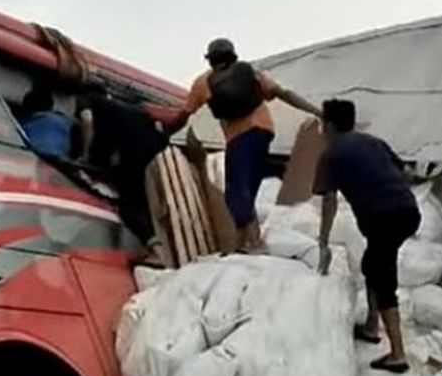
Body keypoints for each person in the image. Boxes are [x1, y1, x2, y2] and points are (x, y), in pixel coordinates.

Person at [162, 38, 322, 253]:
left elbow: (183, 115)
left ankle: (255, 243)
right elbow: (283, 94)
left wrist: (163, 133)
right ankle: (241, 243)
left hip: (240, 137)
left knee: (236, 191)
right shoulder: (251, 73)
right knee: (247, 189)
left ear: (210, 60)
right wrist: (317, 112)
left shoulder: (203, 82)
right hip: (264, 132)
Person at [315, 98, 420, 374]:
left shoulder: (331, 154)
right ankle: (372, 326)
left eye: (322, 122)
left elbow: (328, 201)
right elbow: (406, 172)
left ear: (330, 125)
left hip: (382, 217)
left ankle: (398, 354)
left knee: (382, 277)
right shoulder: (374, 142)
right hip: (408, 210)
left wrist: (323, 241)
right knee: (373, 264)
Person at [75, 84, 169, 260]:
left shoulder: (87, 99)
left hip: (133, 156)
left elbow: (87, 120)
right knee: (149, 202)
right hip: (159, 155)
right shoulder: (133, 111)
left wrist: (85, 155)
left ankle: (158, 254)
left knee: (129, 207)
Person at [18, 86, 77, 163]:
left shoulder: (24, 123)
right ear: (50, 107)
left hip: (33, 158)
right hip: (60, 161)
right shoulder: (63, 121)